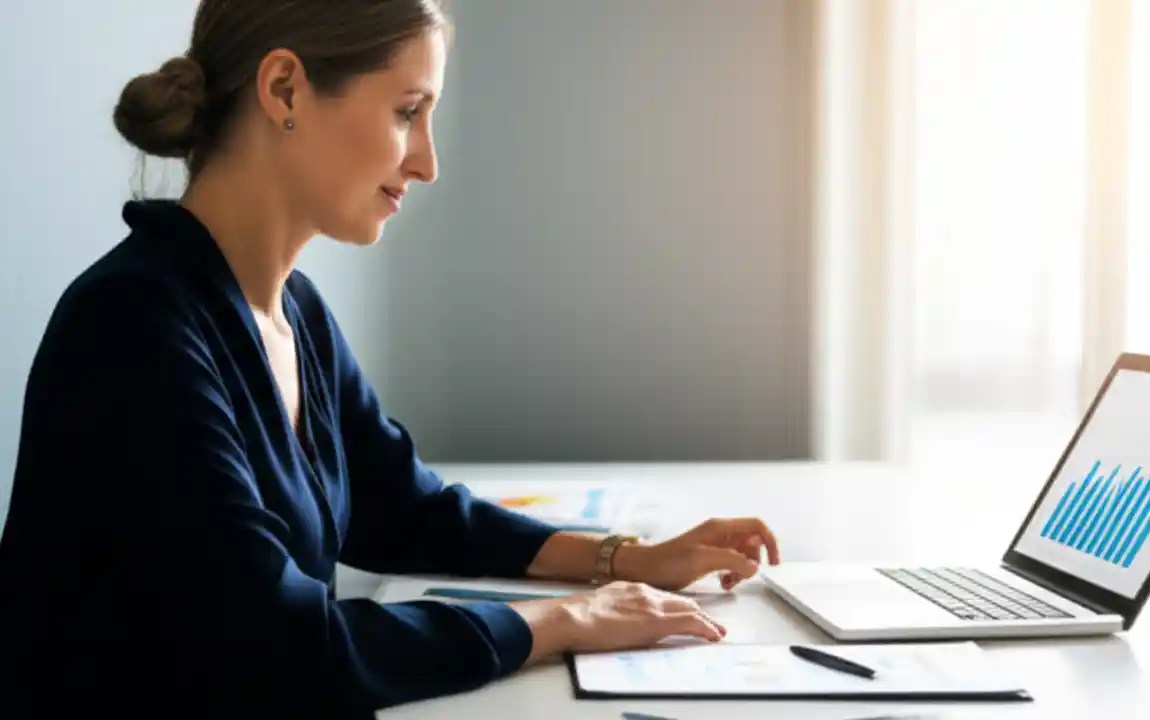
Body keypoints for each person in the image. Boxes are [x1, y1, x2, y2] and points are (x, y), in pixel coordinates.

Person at [0, 1, 782, 717]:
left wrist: (627, 561)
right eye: (408, 112)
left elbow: (402, 510)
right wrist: (564, 621)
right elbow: (279, 648)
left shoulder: (291, 310)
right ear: (284, 91)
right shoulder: (134, 327)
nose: (427, 163)